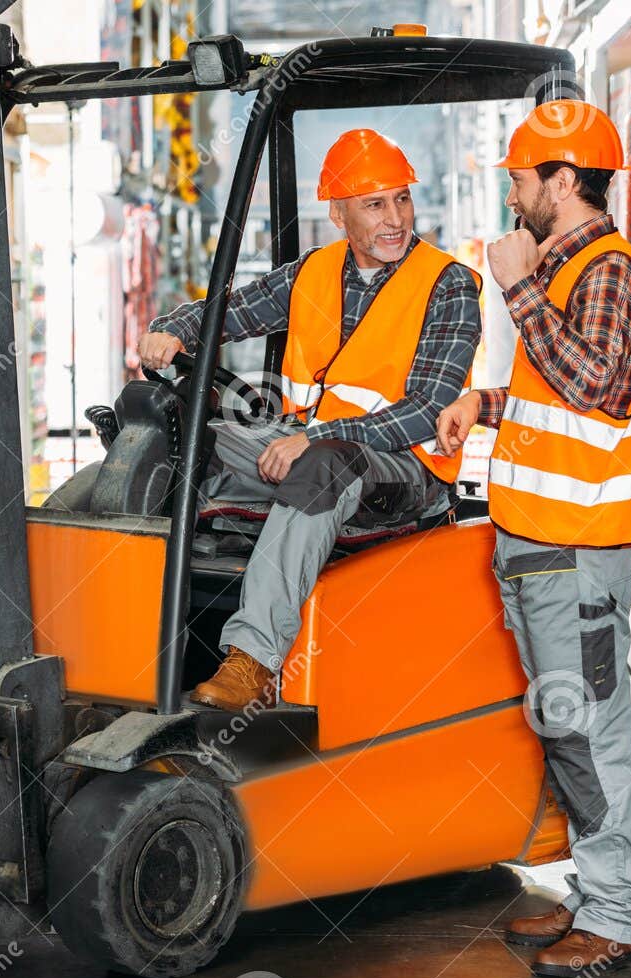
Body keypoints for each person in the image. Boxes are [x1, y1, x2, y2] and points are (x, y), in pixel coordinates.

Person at [434, 99, 631, 978]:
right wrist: (486, 403)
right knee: (568, 729)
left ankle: (621, 916)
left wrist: (515, 287)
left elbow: (598, 388)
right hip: (541, 541)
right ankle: (600, 889)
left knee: (592, 731)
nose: (511, 190)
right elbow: (554, 391)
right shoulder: (565, 267)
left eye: (522, 177)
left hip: (576, 549)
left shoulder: (608, 270)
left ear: (564, 181)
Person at [139, 128, 481, 712]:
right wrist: (177, 327)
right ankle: (143, 615)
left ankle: (253, 660)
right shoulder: (312, 273)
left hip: (405, 475)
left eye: (402, 198)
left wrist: (313, 437)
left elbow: (427, 412)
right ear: (338, 211)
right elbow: (232, 309)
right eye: (375, 204)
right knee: (185, 435)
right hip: (311, 450)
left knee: (322, 465)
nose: (395, 217)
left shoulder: (446, 284)